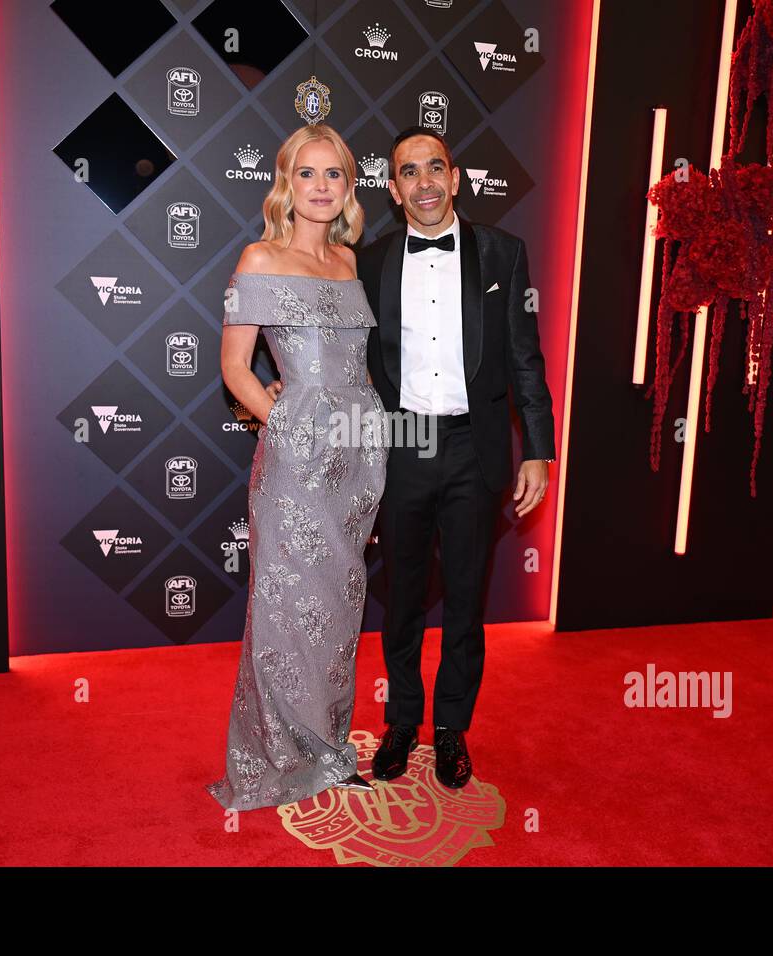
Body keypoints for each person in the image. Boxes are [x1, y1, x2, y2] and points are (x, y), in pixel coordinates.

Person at [358, 126, 555, 788]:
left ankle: (451, 729)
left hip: (476, 448)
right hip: (404, 445)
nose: (425, 183)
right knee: (403, 596)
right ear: (393, 189)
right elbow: (351, 362)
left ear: (457, 175)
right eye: (409, 173)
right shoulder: (372, 260)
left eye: (434, 168)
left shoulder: (503, 253)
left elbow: (526, 357)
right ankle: (402, 722)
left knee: (467, 600)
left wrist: (539, 450)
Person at [205, 123, 388, 811]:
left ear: (348, 186)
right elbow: (233, 367)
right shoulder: (259, 259)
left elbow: (359, 367)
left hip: (361, 446)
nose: (320, 187)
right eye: (306, 174)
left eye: (333, 174)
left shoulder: (347, 261)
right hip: (296, 459)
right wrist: (286, 422)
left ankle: (328, 747)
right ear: (286, 183)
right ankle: (275, 759)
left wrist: (365, 439)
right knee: (285, 606)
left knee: (340, 604)